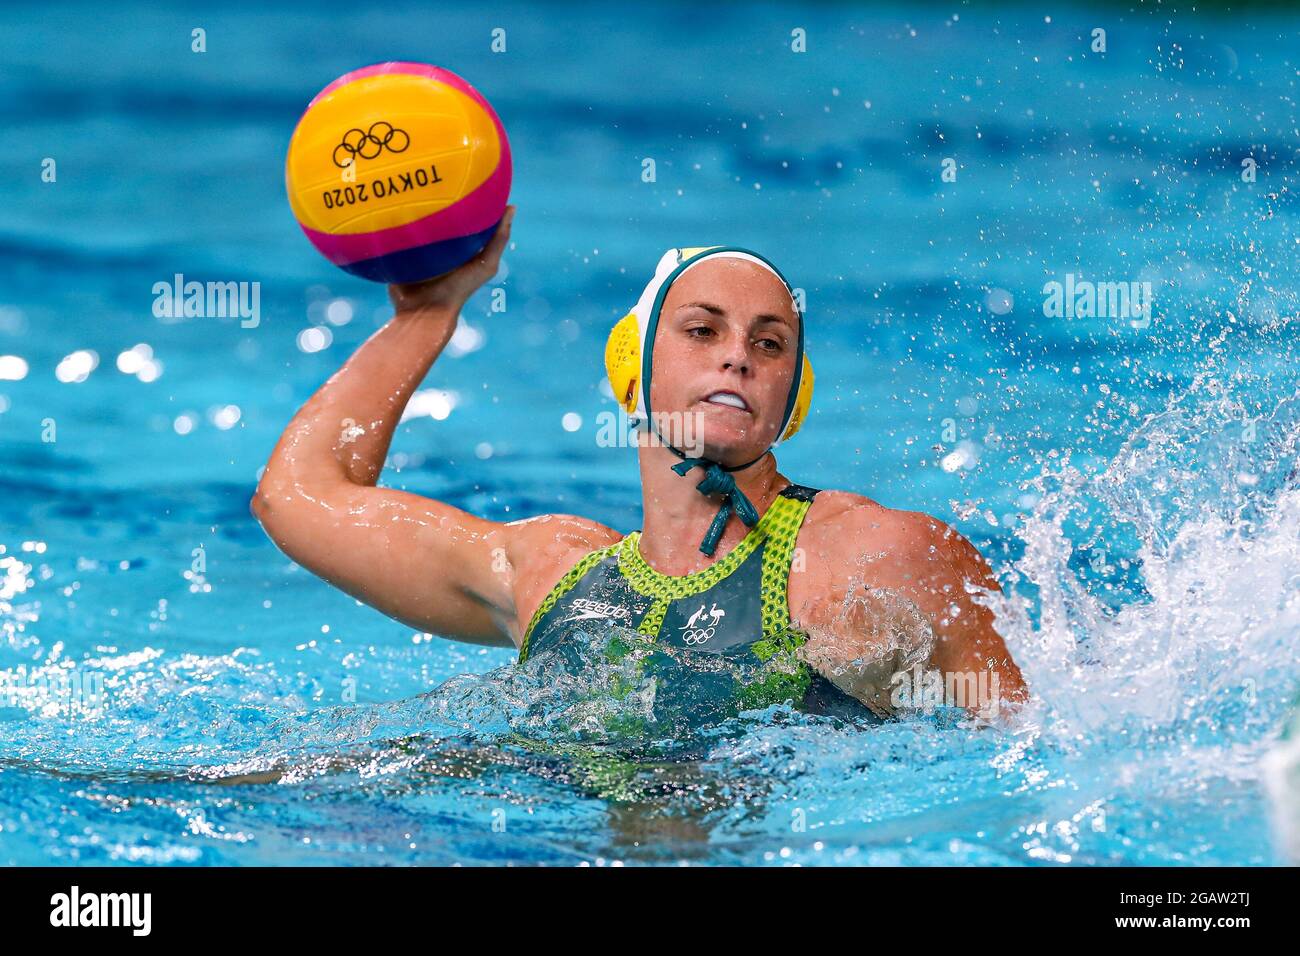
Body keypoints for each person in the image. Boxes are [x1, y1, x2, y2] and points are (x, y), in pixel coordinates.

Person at [252, 205, 1027, 721]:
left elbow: (1027, 761)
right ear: (633, 370)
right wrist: (427, 315)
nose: (736, 357)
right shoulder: (552, 575)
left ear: (793, 396)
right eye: (701, 331)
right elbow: (297, 498)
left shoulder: (880, 555)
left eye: (769, 343)